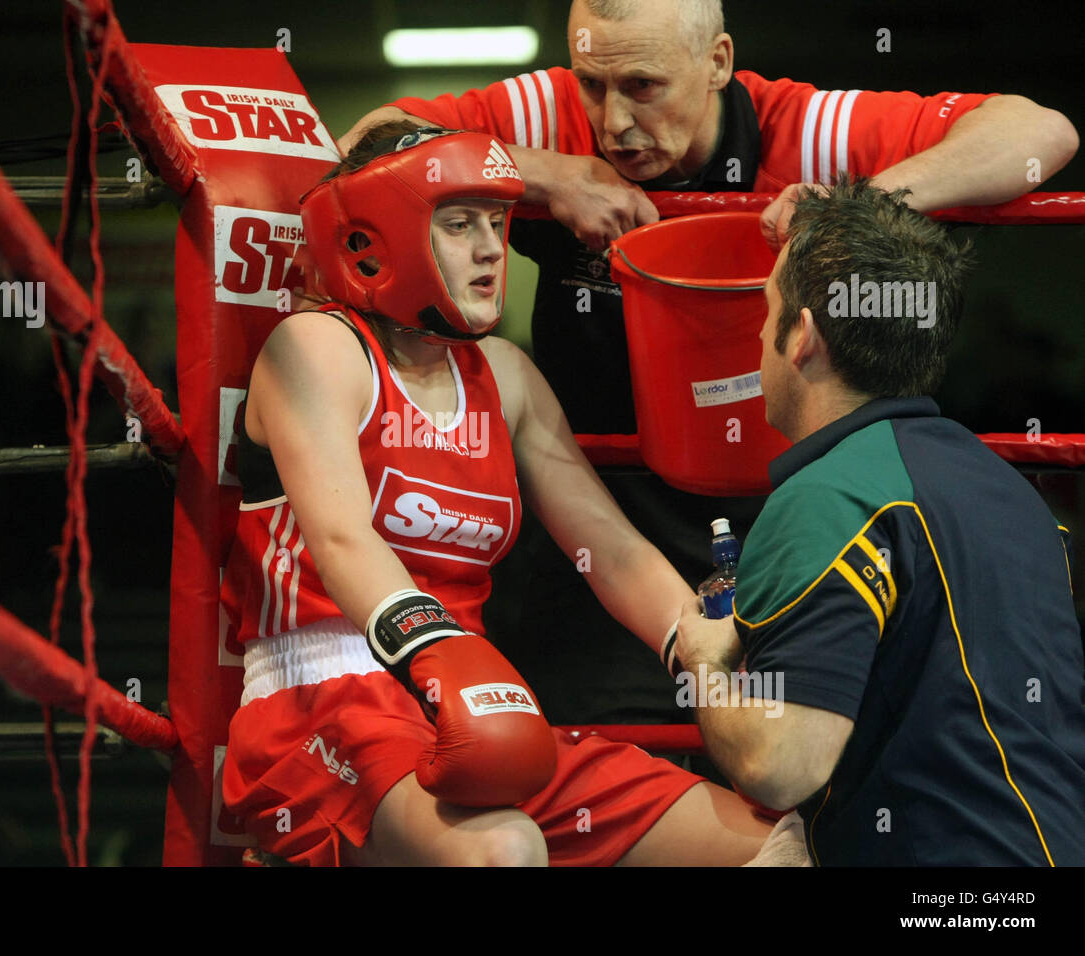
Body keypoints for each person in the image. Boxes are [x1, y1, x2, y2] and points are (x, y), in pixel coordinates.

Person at [339, 0, 1080, 728]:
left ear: (717, 62)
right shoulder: (548, 112)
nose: (612, 121)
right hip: (597, 524)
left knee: (800, 770)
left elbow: (1039, 130)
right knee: (598, 758)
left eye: (643, 87)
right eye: (593, 84)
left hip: (786, 517)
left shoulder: (802, 129)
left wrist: (863, 204)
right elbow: (367, 141)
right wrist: (541, 174)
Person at [218, 123, 775, 866]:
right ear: (372, 239)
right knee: (503, 852)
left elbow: (606, 548)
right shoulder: (317, 348)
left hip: (477, 697)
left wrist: (699, 648)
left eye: (495, 221)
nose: (490, 249)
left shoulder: (504, 376)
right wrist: (432, 647)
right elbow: (343, 536)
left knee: (772, 845)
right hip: (322, 701)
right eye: (458, 223)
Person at [670, 176, 1085, 866]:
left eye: (766, 311)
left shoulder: (829, 494)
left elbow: (782, 765)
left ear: (801, 336)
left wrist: (706, 663)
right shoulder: (1018, 497)